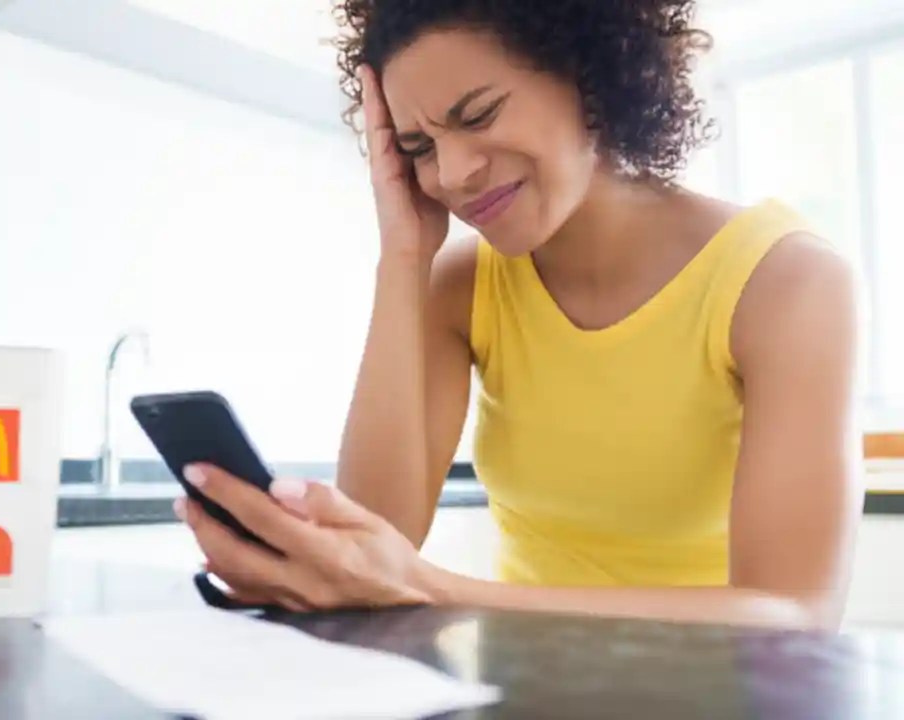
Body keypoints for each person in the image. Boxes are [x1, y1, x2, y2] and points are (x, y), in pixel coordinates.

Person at [171, 0, 862, 630]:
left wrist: (434, 590)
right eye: (419, 148)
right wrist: (402, 259)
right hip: (524, 692)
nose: (452, 173)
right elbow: (375, 538)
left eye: (477, 115)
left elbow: (794, 615)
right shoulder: (462, 285)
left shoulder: (787, 284)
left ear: (591, 77)